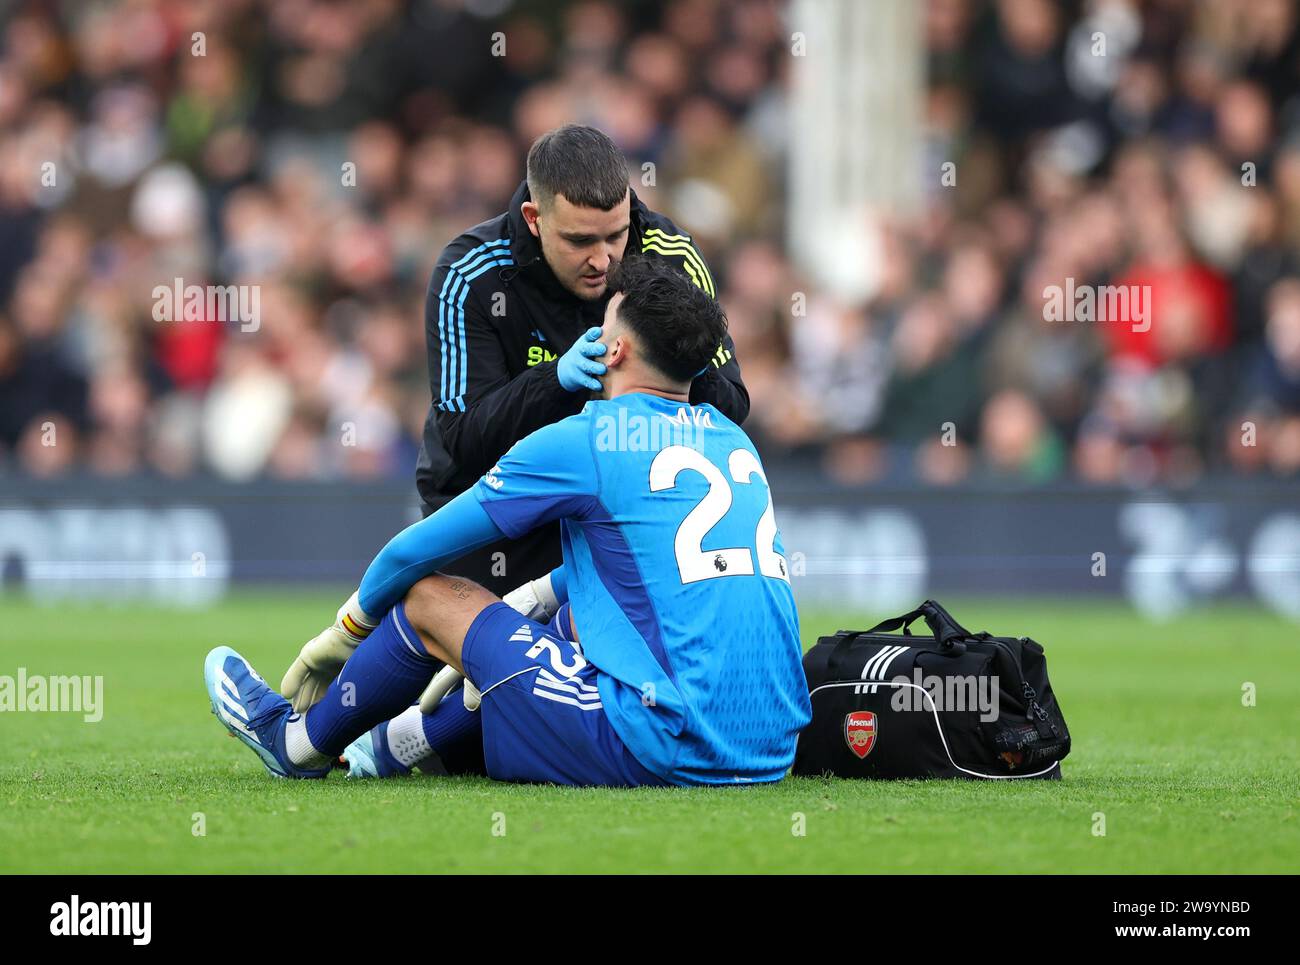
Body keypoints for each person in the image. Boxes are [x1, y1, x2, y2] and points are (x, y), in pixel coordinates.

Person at [204, 258, 808, 787]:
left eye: (605, 326)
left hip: (666, 745)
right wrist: (529, 604)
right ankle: (394, 745)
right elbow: (656, 572)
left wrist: (346, 630)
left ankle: (298, 744)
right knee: (574, 620)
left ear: (615, 351)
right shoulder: (732, 439)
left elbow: (413, 553)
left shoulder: (589, 439)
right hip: (771, 747)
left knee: (431, 598)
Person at [417, 124, 748, 597]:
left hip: (617, 512)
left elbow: (732, 408)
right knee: (477, 667)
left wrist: (663, 359)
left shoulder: (670, 257)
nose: (604, 261)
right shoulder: (471, 275)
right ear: (534, 218)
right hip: (497, 523)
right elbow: (466, 439)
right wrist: (557, 380)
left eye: (616, 235)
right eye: (579, 241)